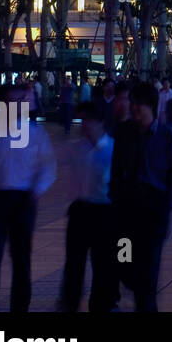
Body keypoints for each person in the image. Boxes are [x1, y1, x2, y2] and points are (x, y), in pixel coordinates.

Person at [0, 82, 56, 313]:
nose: (21, 104)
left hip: (22, 199)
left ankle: (19, 307)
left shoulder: (36, 133)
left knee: (21, 260)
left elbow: (48, 166)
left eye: (22, 100)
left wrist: (36, 190)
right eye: (15, 100)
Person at [109, 82, 172, 311]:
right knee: (123, 262)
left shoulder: (166, 136)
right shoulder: (124, 133)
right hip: (126, 211)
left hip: (154, 212)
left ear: (151, 106)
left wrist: (166, 204)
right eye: (132, 103)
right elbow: (115, 167)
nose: (133, 108)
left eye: (138, 104)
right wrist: (115, 194)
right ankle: (131, 283)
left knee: (148, 276)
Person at [59, 103, 115, 312]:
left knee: (102, 262)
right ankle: (70, 303)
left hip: (104, 211)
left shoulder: (112, 149)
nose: (84, 125)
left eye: (88, 120)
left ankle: (100, 304)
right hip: (79, 210)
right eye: (82, 120)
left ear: (100, 123)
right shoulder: (75, 148)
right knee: (74, 262)